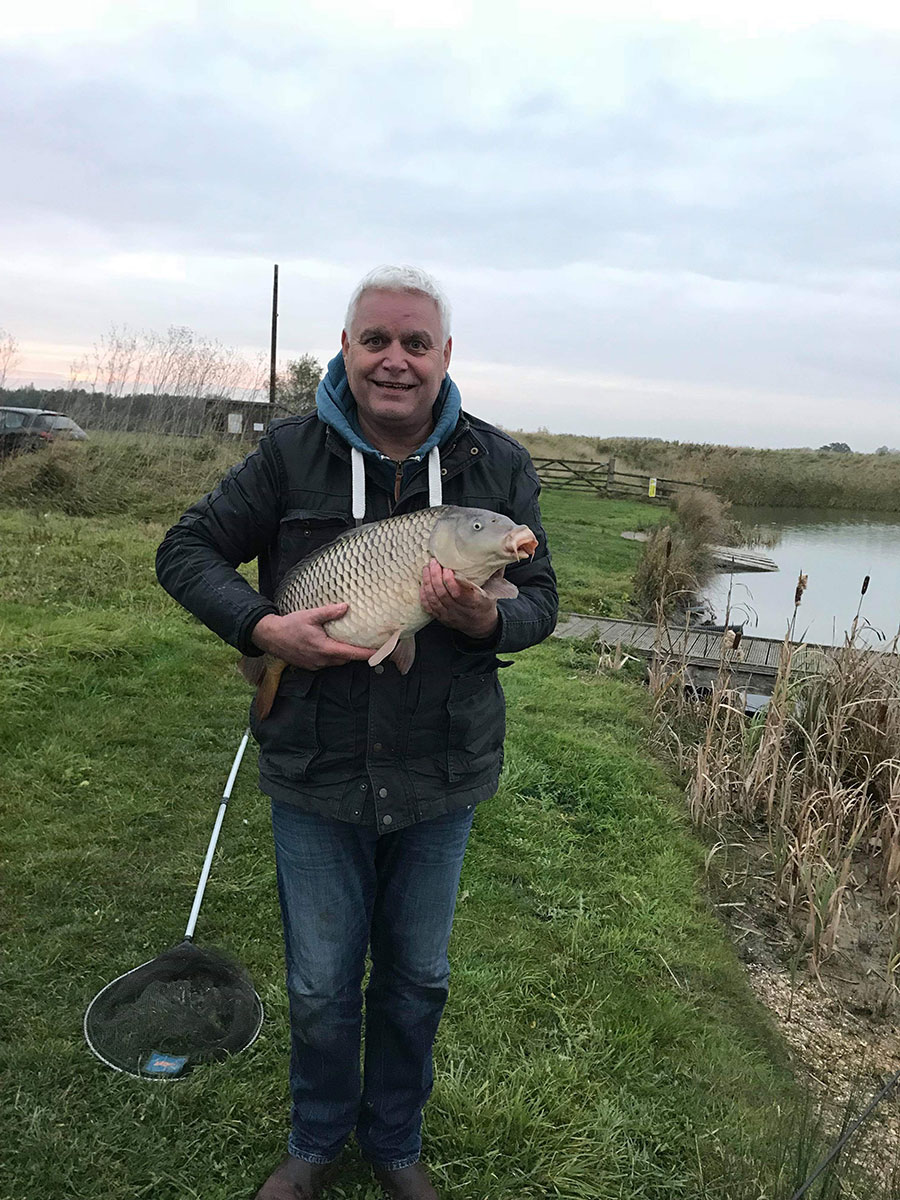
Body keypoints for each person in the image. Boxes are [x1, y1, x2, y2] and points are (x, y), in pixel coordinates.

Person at [156, 266, 558, 1200]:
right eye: (375, 339)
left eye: (416, 343)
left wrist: (484, 622)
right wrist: (263, 630)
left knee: (416, 979)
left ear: (445, 358)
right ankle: (315, 1141)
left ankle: (395, 1146)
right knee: (322, 984)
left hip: (441, 769)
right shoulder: (288, 455)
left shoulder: (494, 469)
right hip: (315, 766)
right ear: (346, 349)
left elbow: (539, 600)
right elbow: (186, 550)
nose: (395, 360)